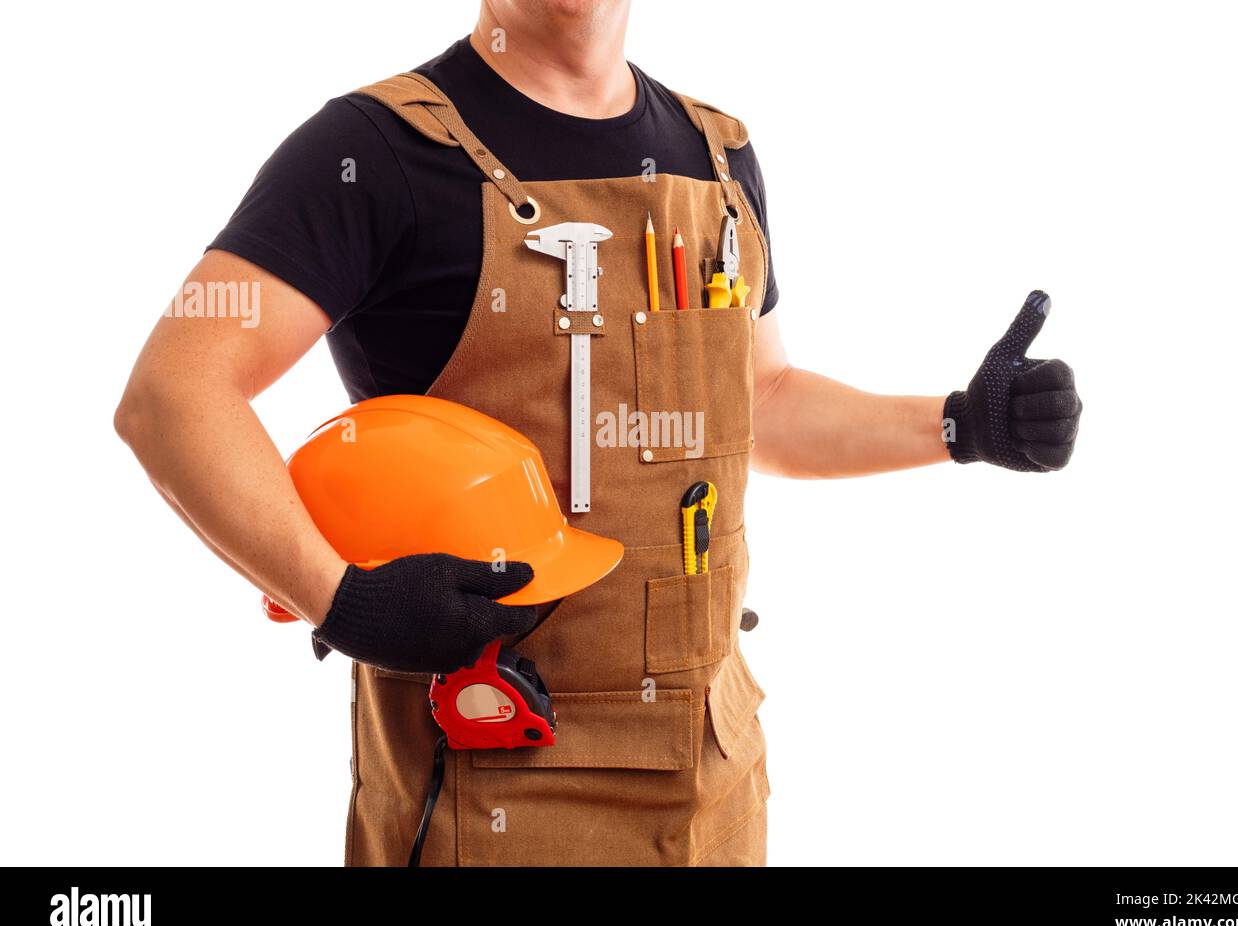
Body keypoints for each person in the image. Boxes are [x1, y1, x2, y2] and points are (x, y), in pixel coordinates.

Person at [115, 0, 1081, 866]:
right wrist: (340, 599)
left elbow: (765, 399)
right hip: (497, 789)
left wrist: (958, 423)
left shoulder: (719, 156)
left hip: (716, 783)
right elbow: (172, 394)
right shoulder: (372, 153)